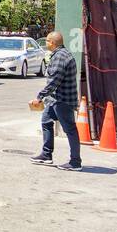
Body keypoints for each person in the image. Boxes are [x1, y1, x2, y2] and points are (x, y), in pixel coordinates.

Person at [30, 31, 81, 171]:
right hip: (55, 100)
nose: (45, 43)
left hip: (62, 100)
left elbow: (54, 81)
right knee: (46, 121)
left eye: (47, 41)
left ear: (52, 42)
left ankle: (75, 162)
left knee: (70, 129)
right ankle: (46, 155)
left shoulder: (60, 57)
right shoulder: (61, 54)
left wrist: (39, 97)